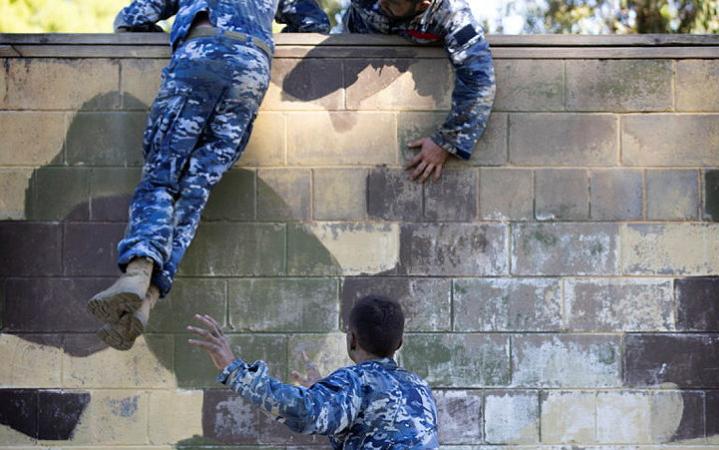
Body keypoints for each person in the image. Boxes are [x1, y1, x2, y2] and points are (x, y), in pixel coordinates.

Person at [86, 0, 330, 351]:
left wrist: (176, 36)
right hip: (252, 69)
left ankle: (138, 272)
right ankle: (148, 300)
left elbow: (132, 19)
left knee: (162, 173)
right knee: (194, 188)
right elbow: (314, 23)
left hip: (202, 54)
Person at [188, 295, 439, 449]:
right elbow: (368, 433)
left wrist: (234, 370)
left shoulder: (356, 383)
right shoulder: (419, 388)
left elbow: (304, 412)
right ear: (399, 343)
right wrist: (325, 390)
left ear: (352, 339)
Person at [343, 0, 496, 183]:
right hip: (358, 37)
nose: (381, 3)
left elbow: (479, 80)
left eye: (393, 2)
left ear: (423, 5)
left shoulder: (453, 15)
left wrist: (447, 141)